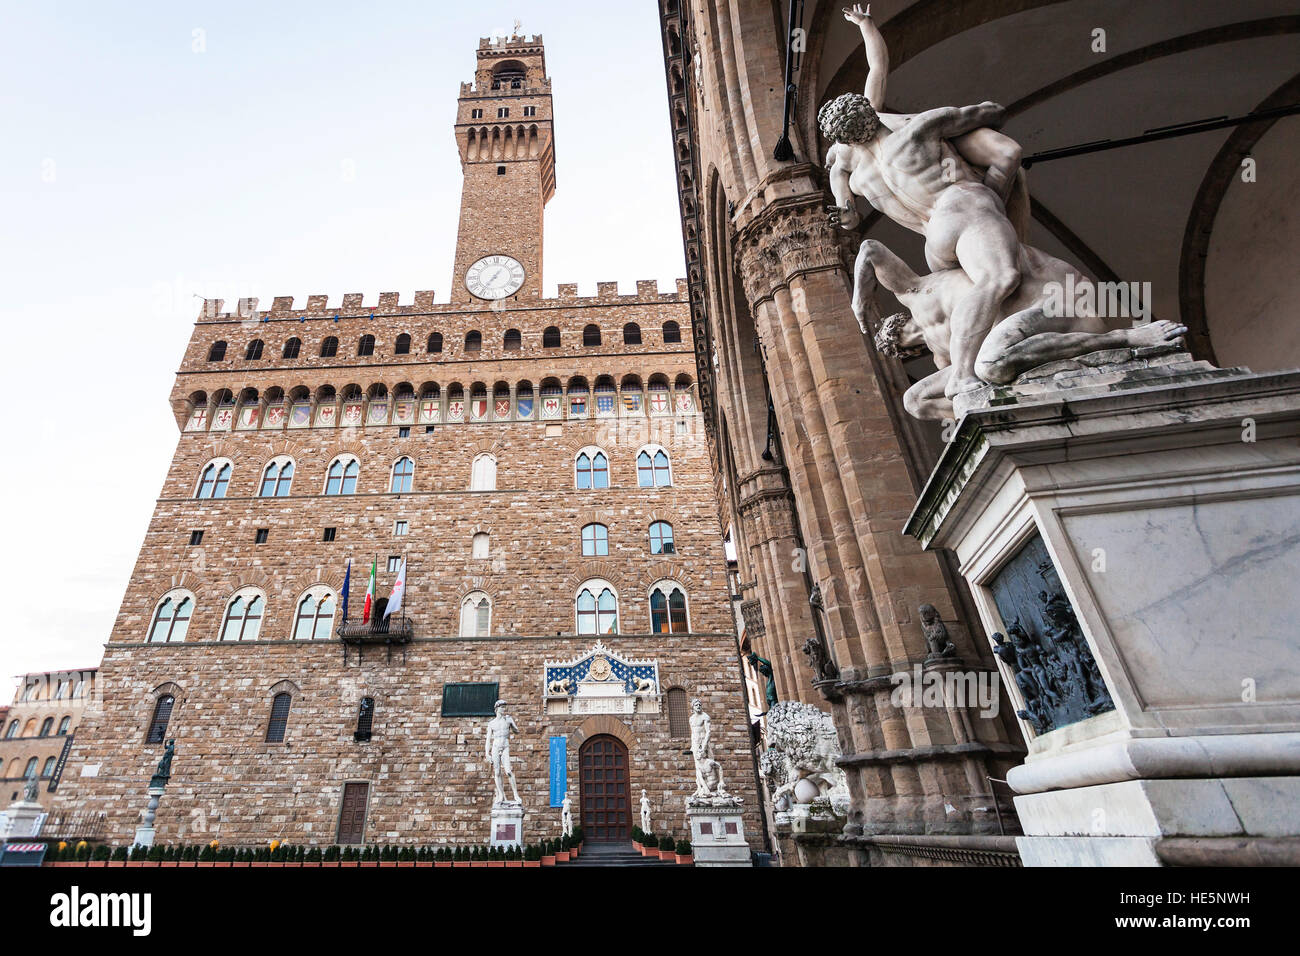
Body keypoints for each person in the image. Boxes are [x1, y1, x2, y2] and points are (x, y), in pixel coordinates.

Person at [824, 4, 1028, 398]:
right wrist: (866, 24)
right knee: (1000, 278)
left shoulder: (850, 167)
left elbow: (847, 217)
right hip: (965, 206)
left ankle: (978, 362)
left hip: (935, 241)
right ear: (869, 111)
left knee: (984, 297)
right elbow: (988, 112)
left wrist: (845, 207)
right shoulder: (916, 129)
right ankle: (965, 374)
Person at [485, 700, 521, 805]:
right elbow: (488, 739)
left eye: (504, 707)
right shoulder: (491, 723)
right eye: (502, 707)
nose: (504, 709)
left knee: (508, 771)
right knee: (497, 772)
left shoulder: (508, 719)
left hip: (505, 746)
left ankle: (515, 794)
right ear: (497, 709)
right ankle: (500, 794)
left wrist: (512, 723)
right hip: (496, 747)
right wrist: (487, 753)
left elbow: (517, 731)